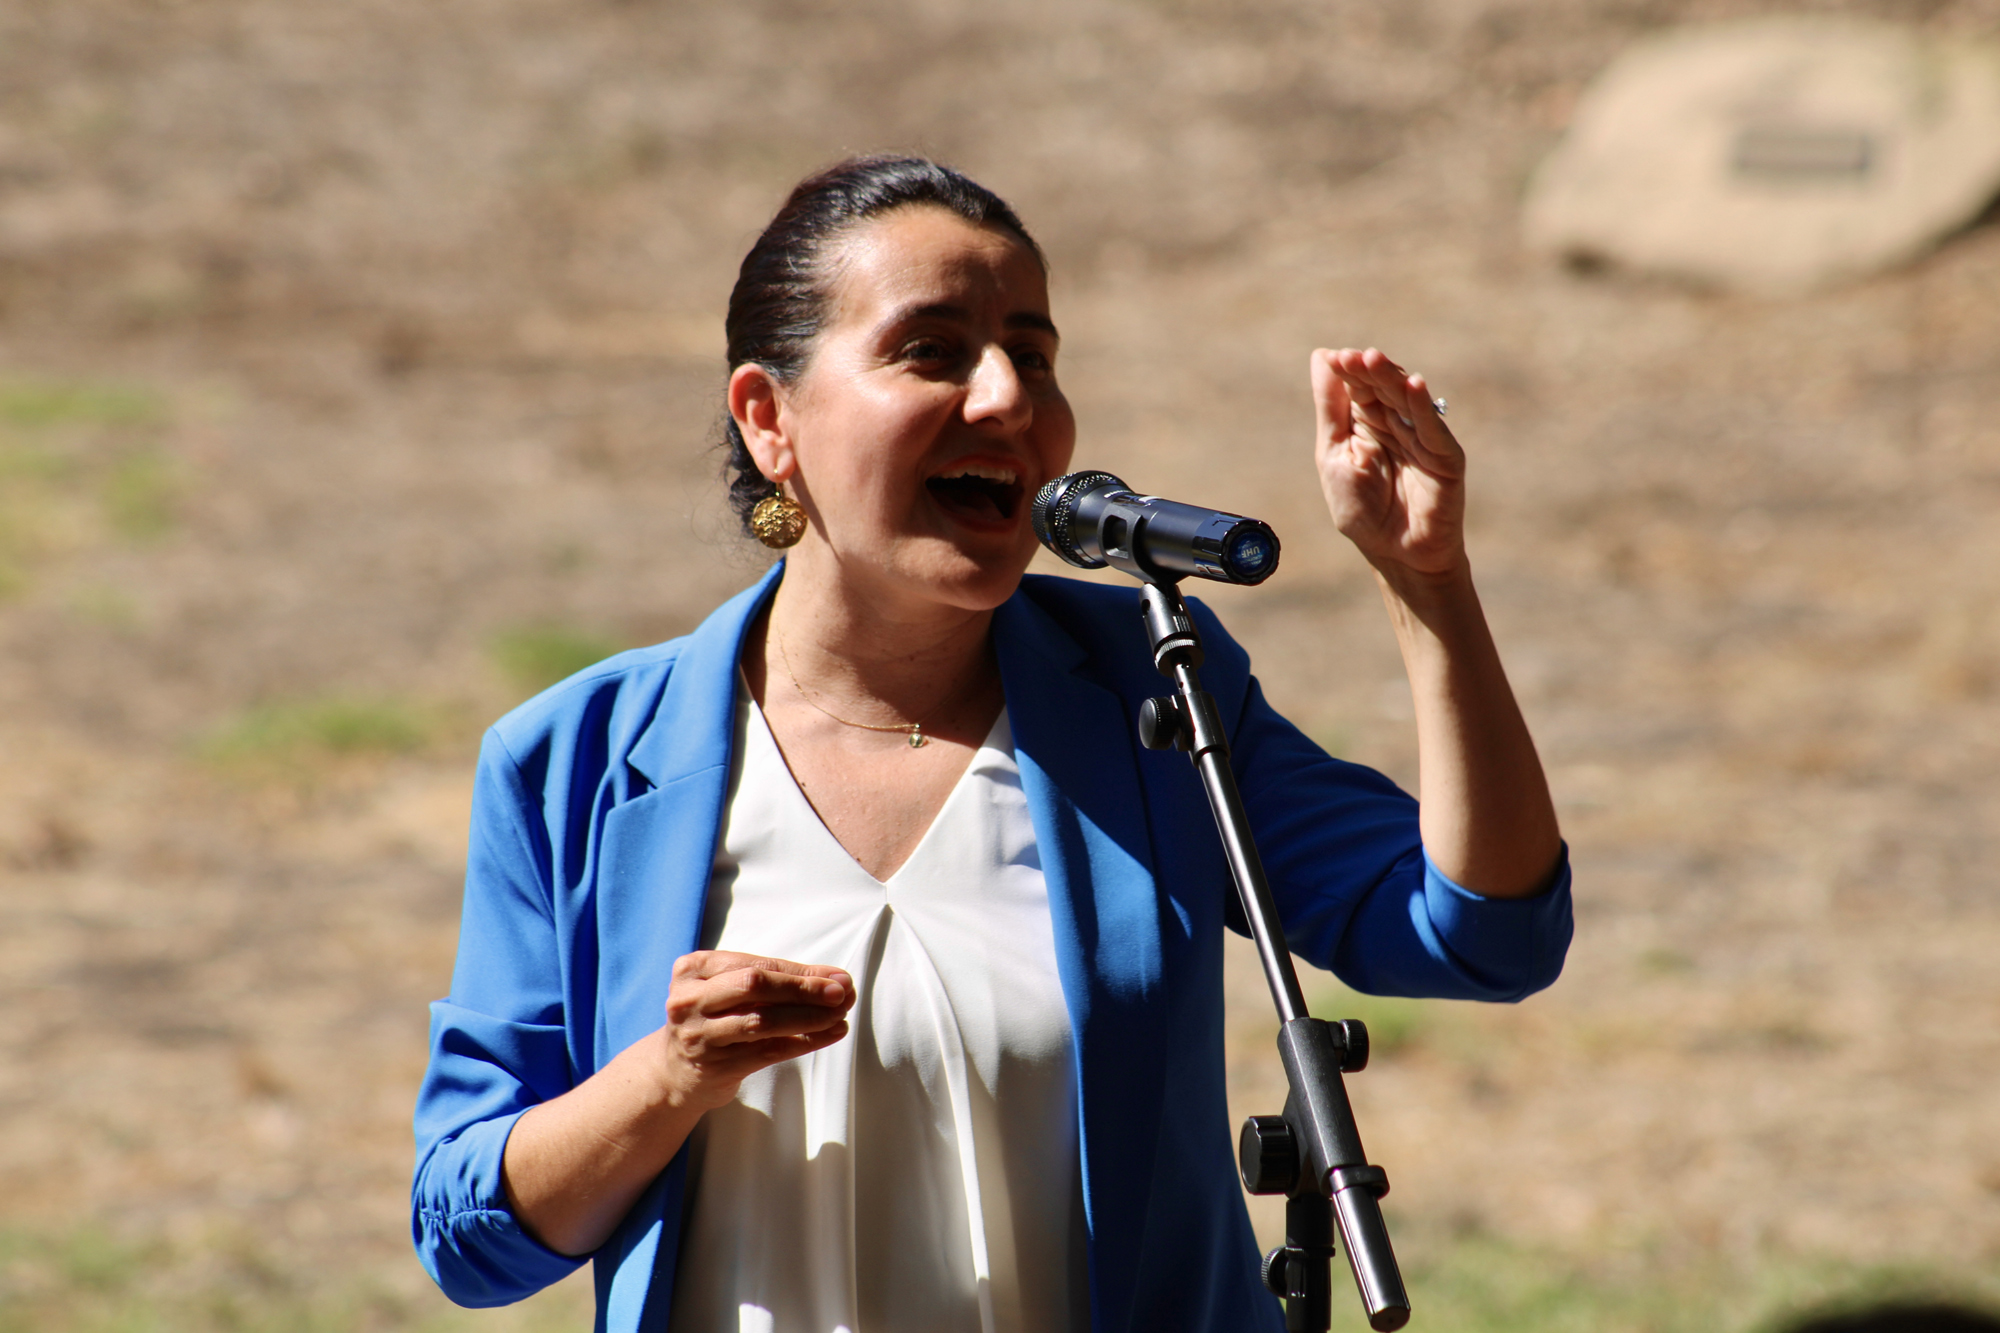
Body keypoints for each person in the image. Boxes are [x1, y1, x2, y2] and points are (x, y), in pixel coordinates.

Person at [411, 155, 1572, 1333]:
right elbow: (467, 1238)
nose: (1008, 399)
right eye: (932, 350)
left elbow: (1479, 933)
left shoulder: (1147, 687)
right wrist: (662, 1081)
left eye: (1034, 352)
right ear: (770, 420)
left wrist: (1428, 584)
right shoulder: (579, 759)